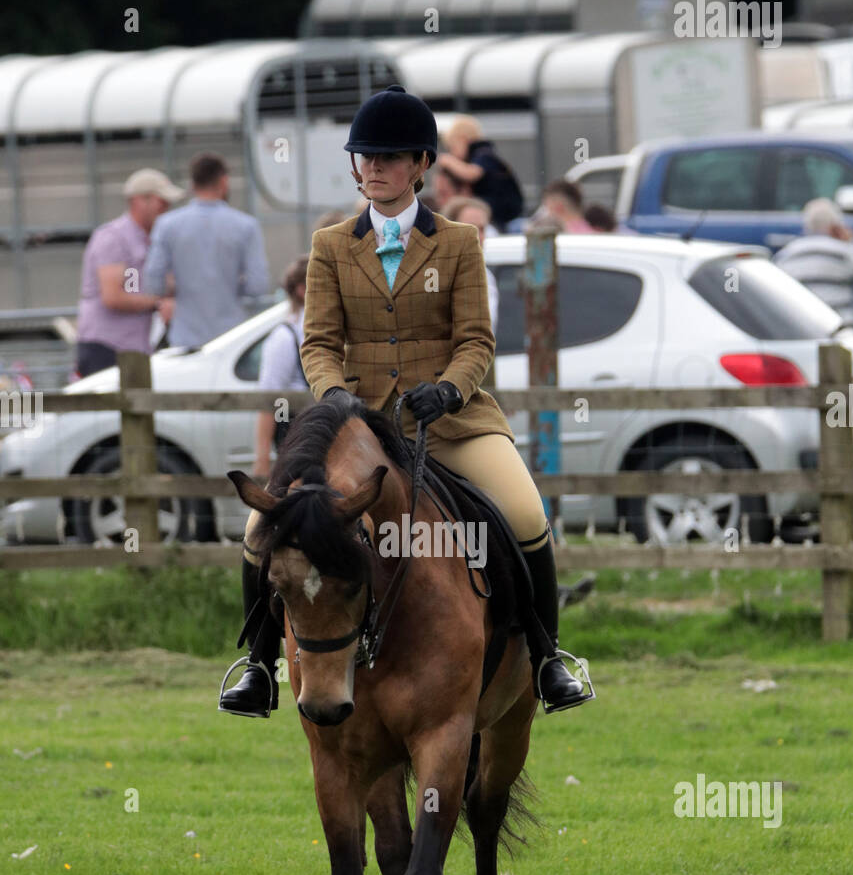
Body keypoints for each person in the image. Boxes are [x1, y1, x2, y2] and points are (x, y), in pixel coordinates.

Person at [219, 83, 592, 719]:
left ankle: (550, 656)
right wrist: (338, 401)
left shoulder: (458, 244)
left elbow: (476, 340)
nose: (372, 169)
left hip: (451, 422)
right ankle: (258, 666)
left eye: (388, 158)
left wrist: (448, 388)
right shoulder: (332, 246)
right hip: (356, 430)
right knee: (260, 529)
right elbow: (318, 344)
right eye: (363, 157)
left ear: (421, 165)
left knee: (528, 515)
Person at [142, 152, 271, 349]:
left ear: (192, 184)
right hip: (232, 336)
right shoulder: (246, 226)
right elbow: (258, 285)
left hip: (186, 336)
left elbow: (153, 280)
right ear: (224, 181)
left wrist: (175, 289)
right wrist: (230, 286)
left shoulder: (167, 225)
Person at [75, 168, 183, 378]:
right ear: (140, 201)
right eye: (162, 202)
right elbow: (114, 297)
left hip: (132, 348)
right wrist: (159, 303)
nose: (167, 209)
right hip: (107, 348)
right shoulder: (114, 239)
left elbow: (138, 287)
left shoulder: (149, 240)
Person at [252, 255, 309, 478]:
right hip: (299, 439)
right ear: (302, 290)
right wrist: (263, 457)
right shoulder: (286, 336)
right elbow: (270, 399)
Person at [773, 198, 853, 323]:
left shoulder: (788, 253)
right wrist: (852, 242)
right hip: (839, 325)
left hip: (803, 324)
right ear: (836, 226)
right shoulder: (845, 253)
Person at [437, 115, 524, 233]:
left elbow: (472, 174)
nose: (453, 153)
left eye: (453, 147)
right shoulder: (478, 156)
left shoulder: (483, 153)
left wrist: (448, 161)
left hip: (504, 209)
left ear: (462, 139)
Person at [440, 195, 499, 333]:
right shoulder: (432, 271)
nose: (478, 236)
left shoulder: (486, 275)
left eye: (482, 229)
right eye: (470, 228)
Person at [529, 179, 595, 234]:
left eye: (546, 205)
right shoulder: (590, 233)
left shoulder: (558, 234)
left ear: (559, 207)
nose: (544, 211)